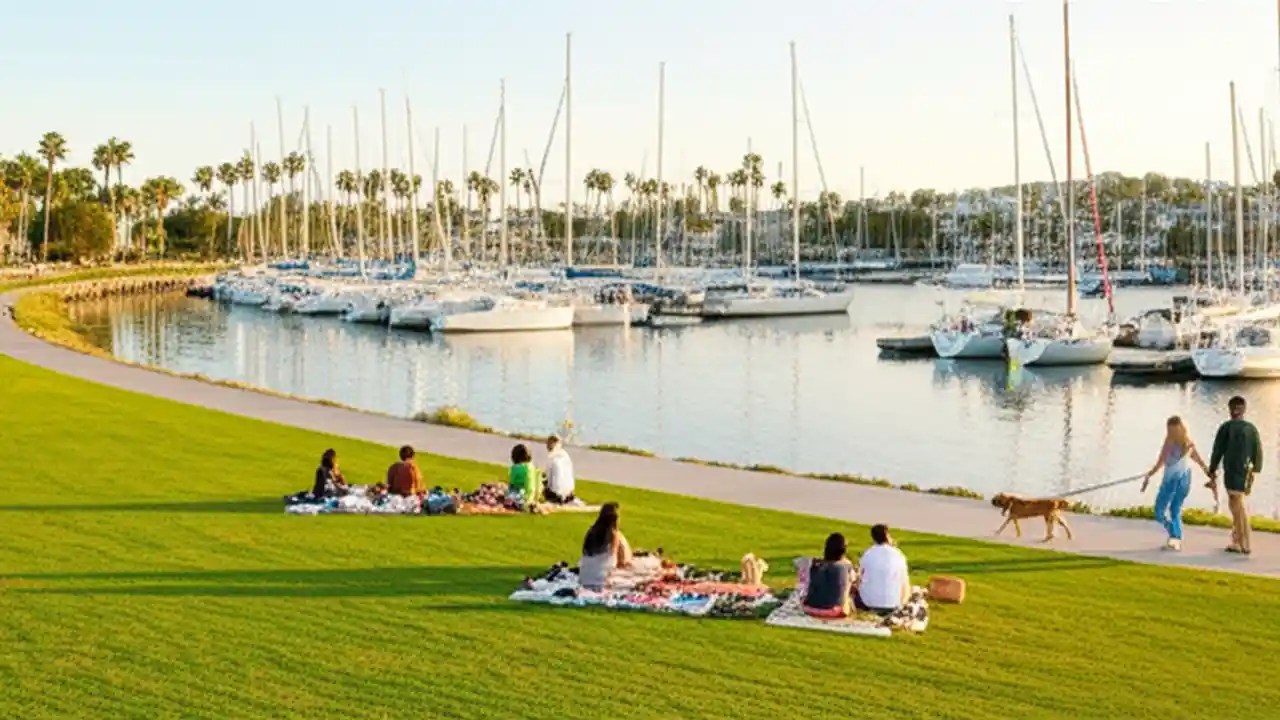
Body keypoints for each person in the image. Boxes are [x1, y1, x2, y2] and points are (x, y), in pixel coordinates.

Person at [1141, 416, 1210, 551]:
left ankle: (1175, 536)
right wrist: (1149, 475)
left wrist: (1207, 471)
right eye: (1169, 430)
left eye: (1172, 430)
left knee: (1161, 511)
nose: (1170, 433)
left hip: (1175, 481)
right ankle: (1176, 536)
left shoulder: (1182, 443)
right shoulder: (1179, 442)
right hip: (1180, 479)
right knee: (1171, 510)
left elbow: (1196, 459)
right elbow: (1161, 462)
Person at [1208, 396, 1263, 555]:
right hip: (1246, 471)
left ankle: (1243, 542)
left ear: (1230, 409)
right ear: (1244, 410)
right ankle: (1237, 539)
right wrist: (1255, 470)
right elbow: (1258, 451)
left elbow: (1218, 450)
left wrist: (1212, 470)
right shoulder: (1251, 429)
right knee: (1238, 504)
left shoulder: (1226, 428)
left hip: (1232, 471)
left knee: (1236, 506)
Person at [854, 524, 910, 614]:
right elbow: (904, 581)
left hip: (869, 603)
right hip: (895, 604)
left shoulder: (868, 554)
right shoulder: (898, 554)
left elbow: (859, 578)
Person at [578, 503, 633, 590]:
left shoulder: (590, 532)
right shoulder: (615, 535)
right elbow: (622, 562)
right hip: (602, 582)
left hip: (584, 579)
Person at [802, 533, 855, 616]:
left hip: (809, 608)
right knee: (849, 590)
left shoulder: (815, 565)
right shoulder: (846, 565)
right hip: (833, 611)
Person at [543, 435, 576, 504]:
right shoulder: (565, 455)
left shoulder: (551, 456)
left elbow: (546, 478)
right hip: (569, 493)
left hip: (556, 494)